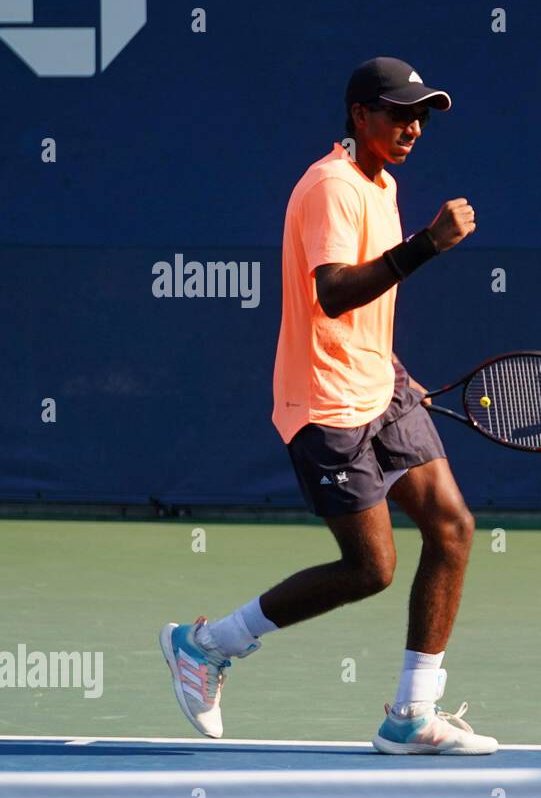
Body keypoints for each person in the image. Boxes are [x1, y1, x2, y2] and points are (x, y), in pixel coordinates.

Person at [160, 57, 497, 755]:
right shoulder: (330, 188)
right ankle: (206, 646)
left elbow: (364, 312)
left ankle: (411, 715)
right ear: (358, 115)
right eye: (399, 113)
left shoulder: (383, 183)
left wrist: (391, 367)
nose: (412, 127)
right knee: (370, 569)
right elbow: (335, 293)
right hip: (325, 403)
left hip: (382, 386)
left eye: (422, 115)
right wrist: (427, 246)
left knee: (454, 528)